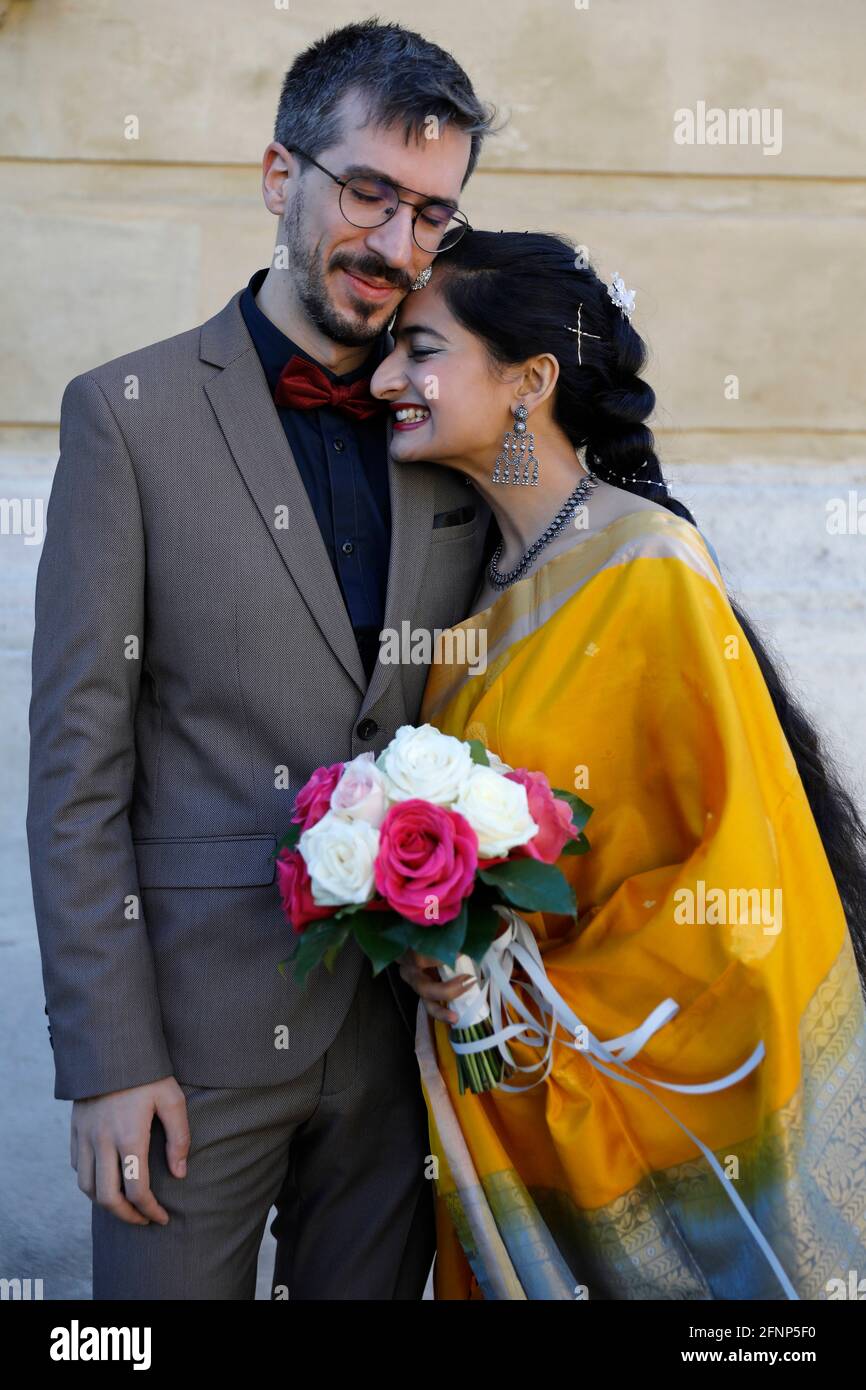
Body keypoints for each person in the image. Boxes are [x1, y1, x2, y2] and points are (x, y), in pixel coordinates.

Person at [26, 20, 500, 1299]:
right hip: (185, 1048)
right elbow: (79, 759)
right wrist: (108, 1057)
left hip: (399, 1043)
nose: (397, 247)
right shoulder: (124, 417)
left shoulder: (454, 434)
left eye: (431, 216)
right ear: (279, 174)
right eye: (368, 193)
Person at [372, 229, 866, 1299]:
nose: (383, 380)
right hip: (498, 1076)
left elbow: (738, 888)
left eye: (419, 351)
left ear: (529, 381)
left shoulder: (647, 570)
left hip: (636, 1078)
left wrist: (510, 989)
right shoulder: (471, 592)